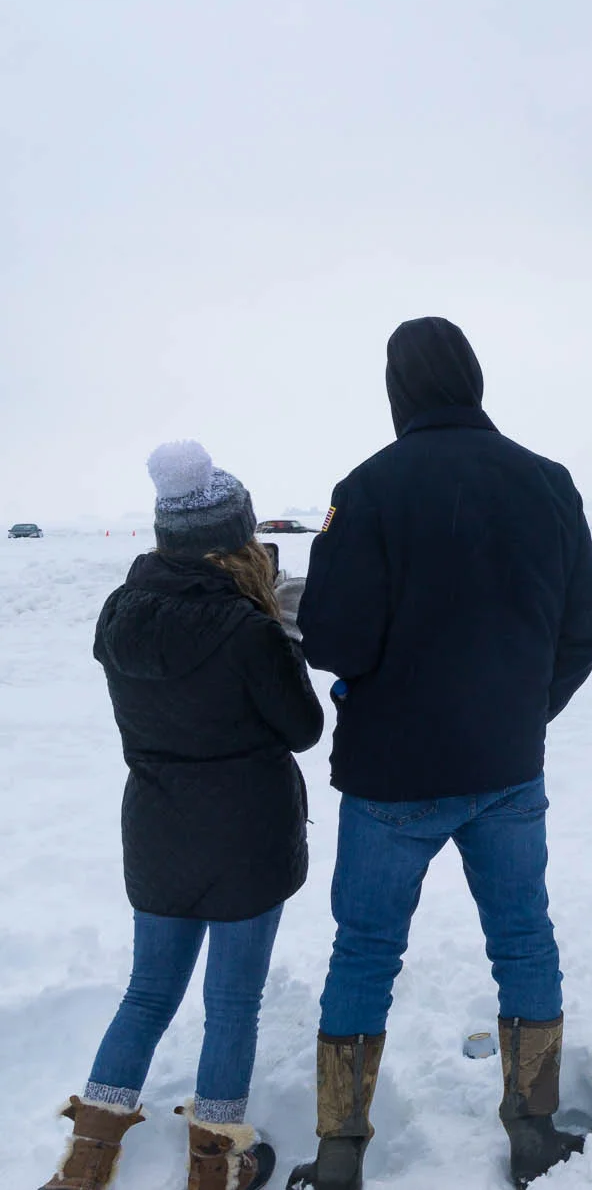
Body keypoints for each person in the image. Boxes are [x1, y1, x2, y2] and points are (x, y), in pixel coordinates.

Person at [287, 318, 592, 1190]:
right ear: (473, 378)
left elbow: (330, 639)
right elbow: (587, 630)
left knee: (362, 951)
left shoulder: (369, 489)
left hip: (392, 779)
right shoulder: (548, 483)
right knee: (523, 940)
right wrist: (523, 713)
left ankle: (340, 1152)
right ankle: (534, 1131)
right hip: (506, 770)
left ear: (397, 389)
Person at [42, 442, 323, 1190]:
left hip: (159, 833)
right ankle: (217, 1162)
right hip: (247, 842)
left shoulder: (119, 614)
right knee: (231, 1003)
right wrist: (280, 631)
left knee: (146, 995)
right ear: (235, 537)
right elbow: (302, 727)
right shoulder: (249, 629)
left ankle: (85, 1163)